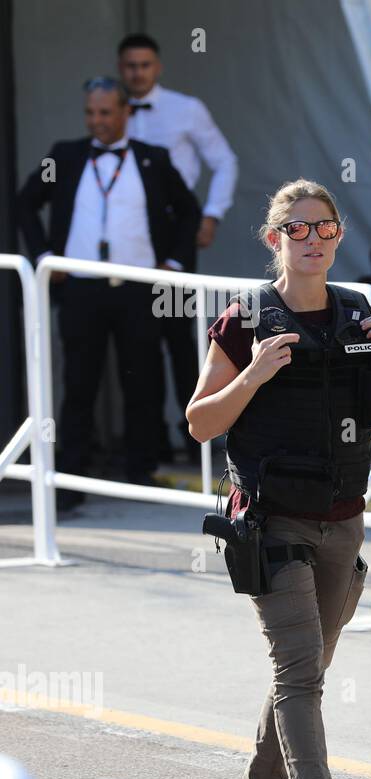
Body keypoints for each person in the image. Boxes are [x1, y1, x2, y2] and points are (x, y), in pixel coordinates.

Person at [186, 179, 371, 779]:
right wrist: (251, 376)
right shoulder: (245, 318)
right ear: (275, 239)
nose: (313, 240)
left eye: (325, 227)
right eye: (298, 229)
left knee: (304, 668)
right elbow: (199, 422)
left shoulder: (358, 310)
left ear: (338, 235)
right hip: (270, 518)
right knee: (300, 670)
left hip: (342, 516)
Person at [16, 76, 198, 511]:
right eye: (90, 113)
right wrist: (44, 256)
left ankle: (142, 470)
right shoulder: (65, 155)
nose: (96, 121)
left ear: (125, 113)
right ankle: (70, 478)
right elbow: (25, 202)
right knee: (79, 383)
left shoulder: (153, 159)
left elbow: (189, 211)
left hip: (139, 288)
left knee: (143, 379)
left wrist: (172, 263)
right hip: (81, 286)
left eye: (105, 113)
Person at [118, 32, 240, 466]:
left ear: (158, 66)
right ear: (121, 68)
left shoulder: (185, 109)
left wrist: (210, 215)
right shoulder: (113, 111)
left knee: (182, 336)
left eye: (144, 65)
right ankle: (145, 445)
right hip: (131, 236)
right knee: (138, 342)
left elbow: (224, 160)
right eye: (130, 66)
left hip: (177, 230)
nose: (137, 73)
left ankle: (198, 441)